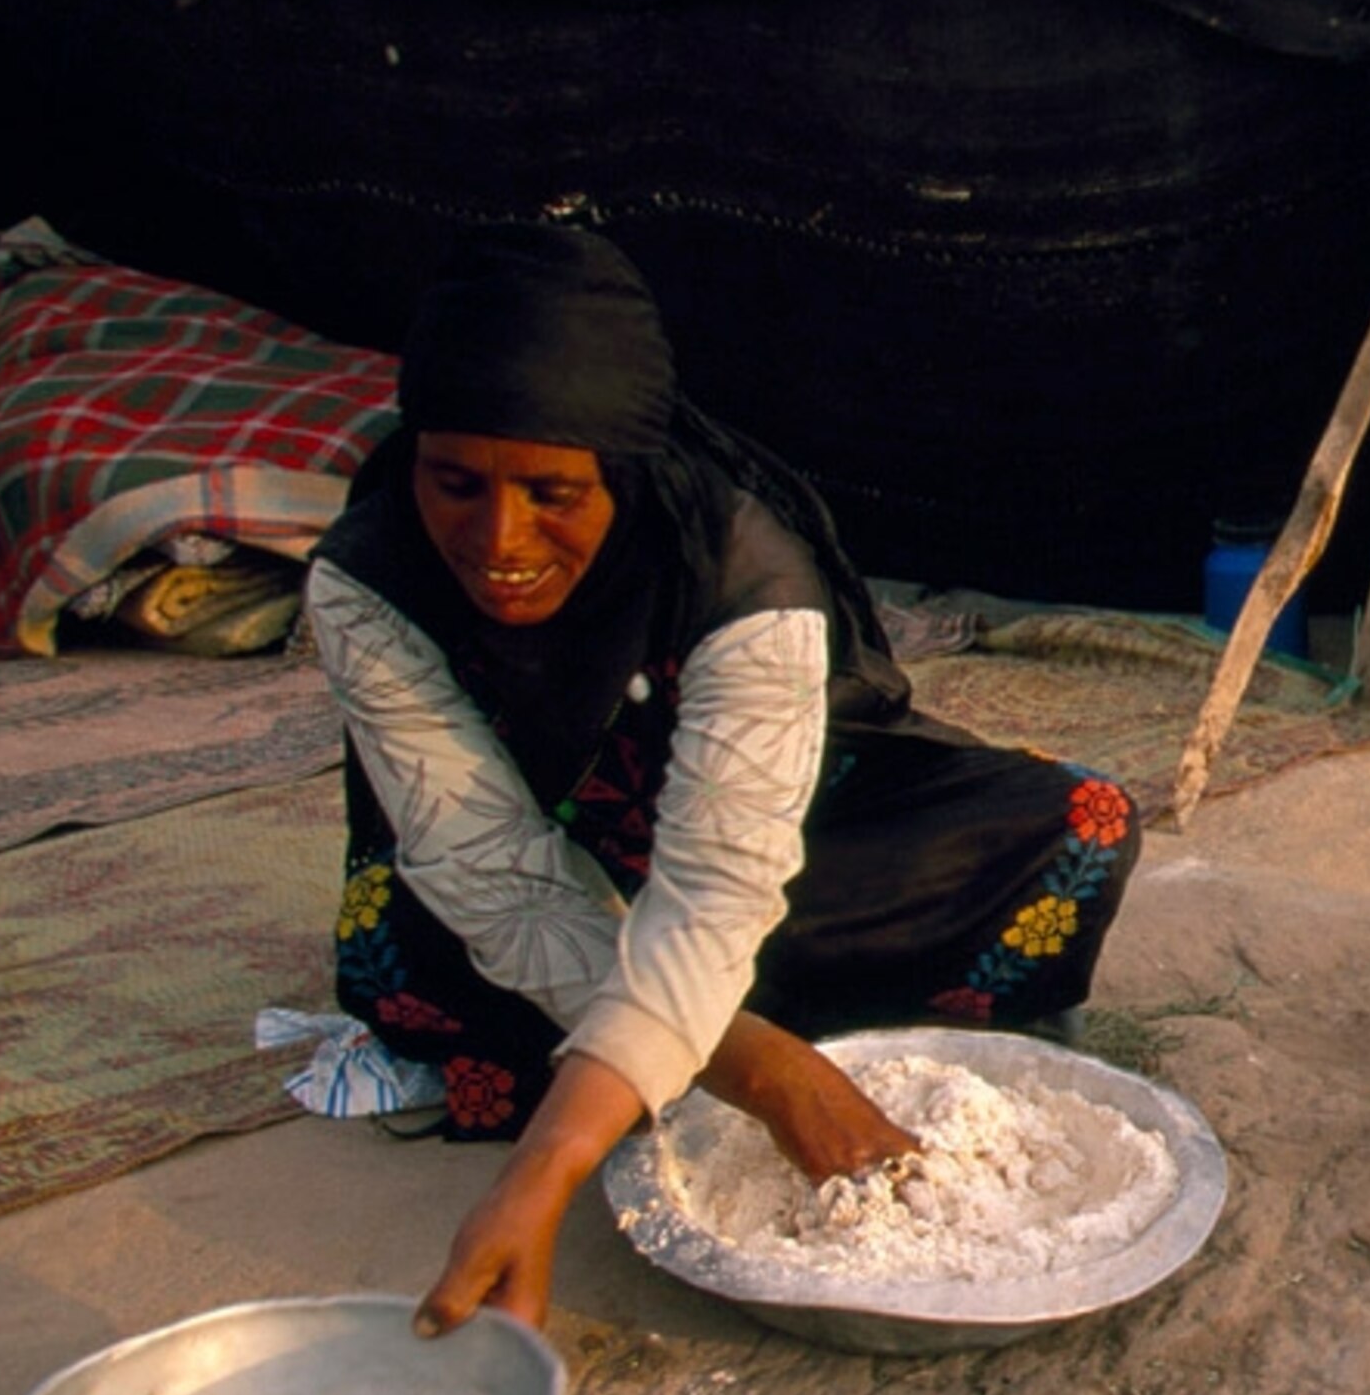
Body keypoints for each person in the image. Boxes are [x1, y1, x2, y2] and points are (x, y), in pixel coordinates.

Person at [305, 223, 1139, 1335]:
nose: (499, 538)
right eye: (456, 482)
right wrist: (766, 1073)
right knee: (396, 931)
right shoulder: (368, 582)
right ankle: (731, 1032)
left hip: (753, 858)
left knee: (1073, 825)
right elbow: (487, 866)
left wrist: (561, 1144)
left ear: (627, 472)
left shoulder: (746, 575)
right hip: (555, 867)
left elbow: (718, 887)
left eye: (553, 492)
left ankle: (658, 1040)